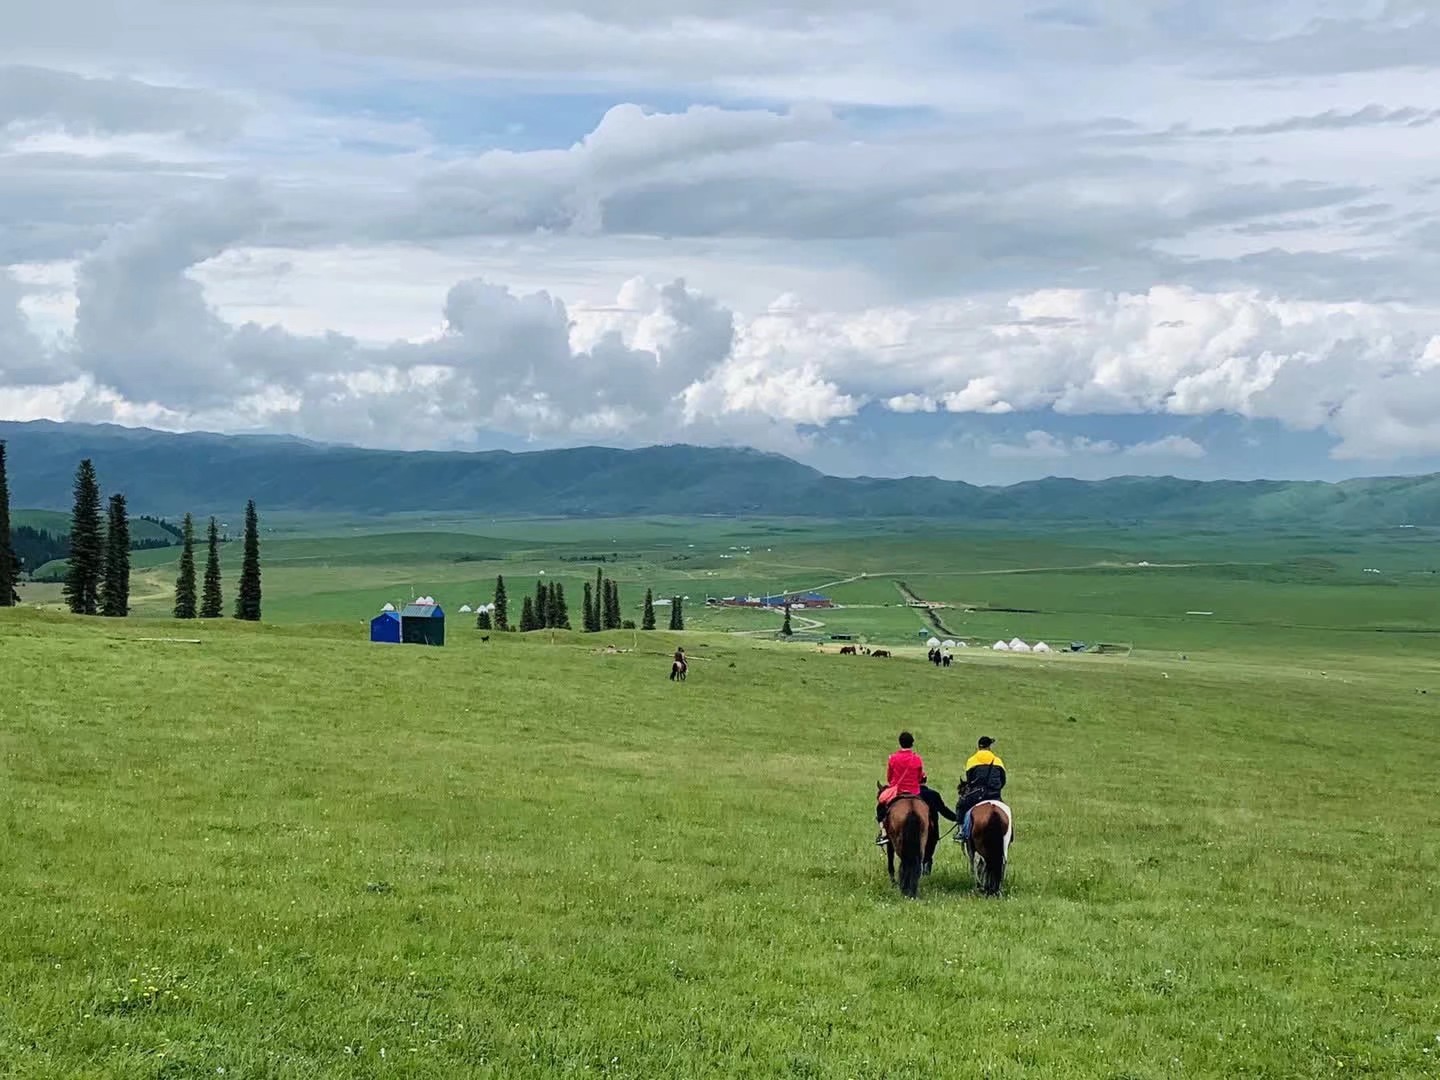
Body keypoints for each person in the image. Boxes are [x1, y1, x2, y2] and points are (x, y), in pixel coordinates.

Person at [874, 731, 955, 846]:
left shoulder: (893, 758)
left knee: (880, 807)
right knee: (930, 809)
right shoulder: (916, 759)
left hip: (898, 791)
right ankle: (932, 833)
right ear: (912, 743)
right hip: (915, 792)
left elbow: (889, 777)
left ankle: (883, 833)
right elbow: (919, 777)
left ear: (900, 743)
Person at [955, 736, 1006, 844]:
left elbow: (969, 780)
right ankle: (1010, 834)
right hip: (994, 794)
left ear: (978, 746)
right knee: (1006, 812)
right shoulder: (997, 761)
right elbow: (1003, 780)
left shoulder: (972, 760)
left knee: (960, 806)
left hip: (977, 794)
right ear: (989, 747)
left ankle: (961, 831)